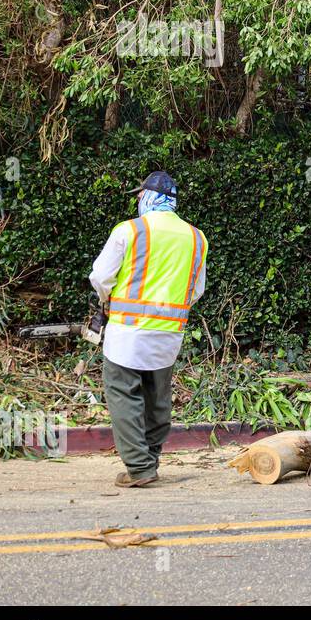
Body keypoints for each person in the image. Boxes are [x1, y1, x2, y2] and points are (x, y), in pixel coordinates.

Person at [89, 171, 207, 487]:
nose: (138, 200)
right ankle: (150, 460)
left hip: (127, 332)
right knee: (158, 398)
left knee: (124, 395)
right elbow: (196, 291)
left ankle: (140, 468)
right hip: (169, 333)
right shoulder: (197, 237)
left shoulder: (129, 231)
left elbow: (100, 277)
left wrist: (106, 302)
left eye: (140, 195)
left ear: (147, 197)